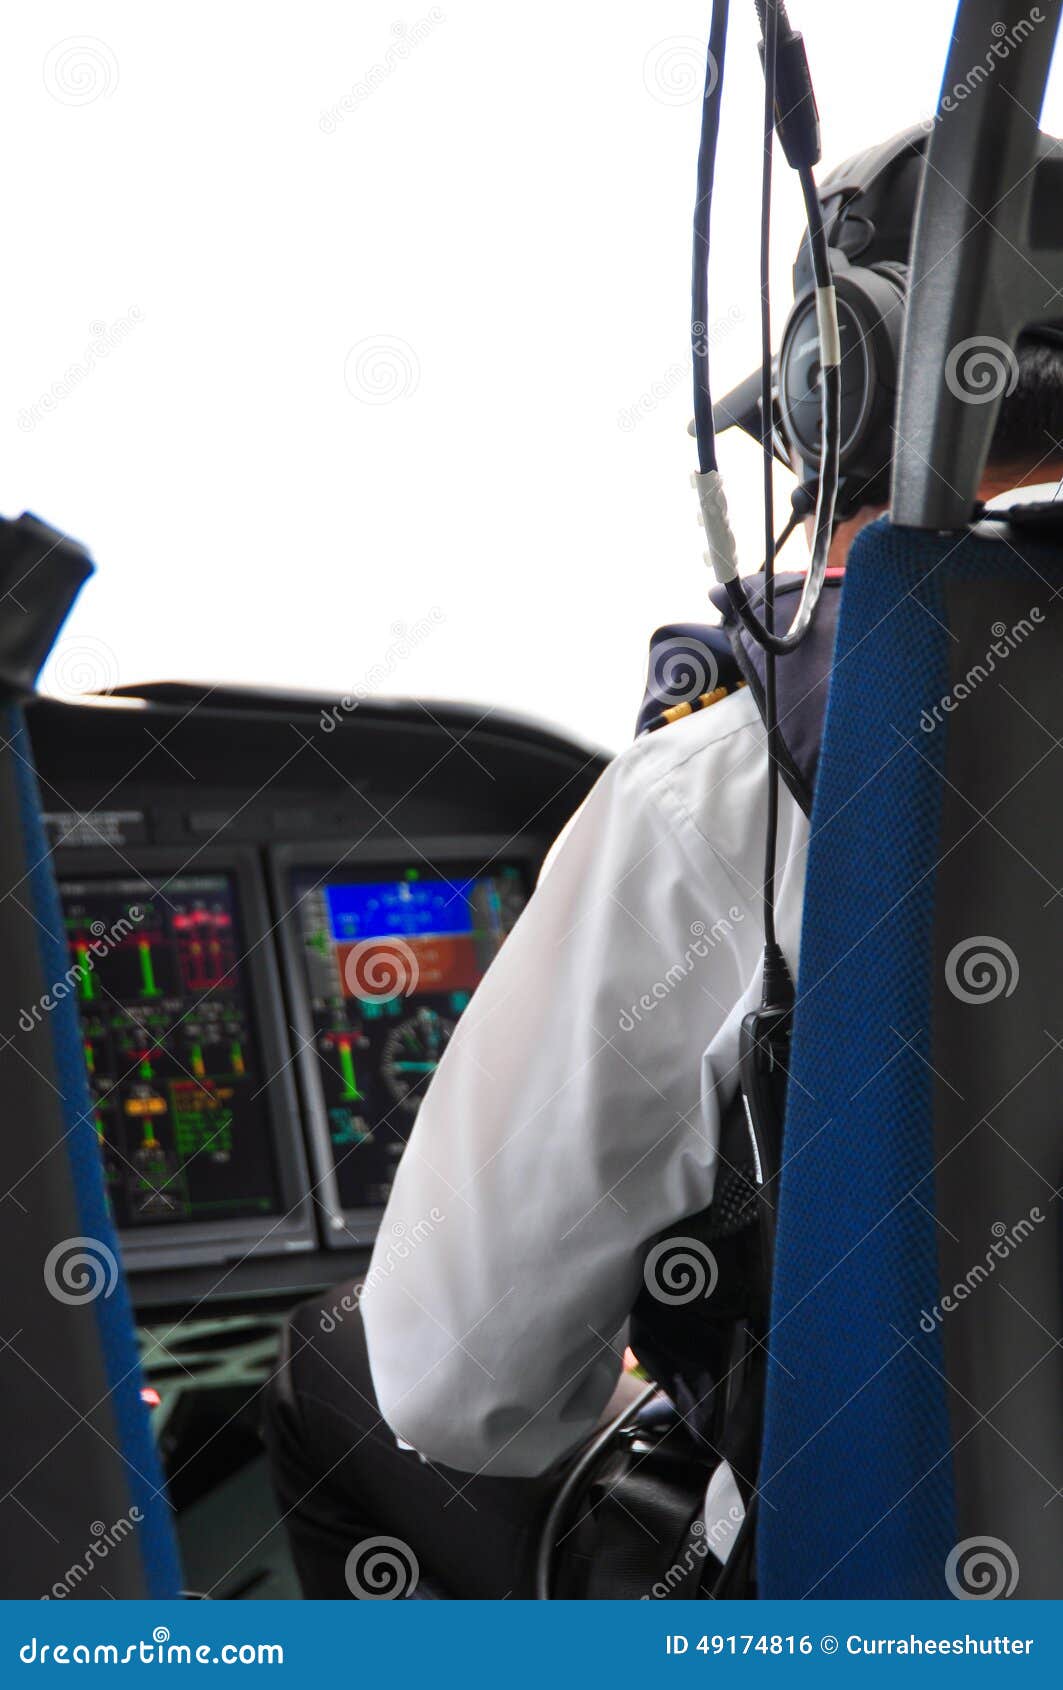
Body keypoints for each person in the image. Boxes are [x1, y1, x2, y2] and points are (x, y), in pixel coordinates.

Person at [264, 167, 1063, 1604]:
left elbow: (458, 1384)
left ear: (840, 392)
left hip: (897, 1604)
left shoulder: (746, 787)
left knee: (339, 1371)